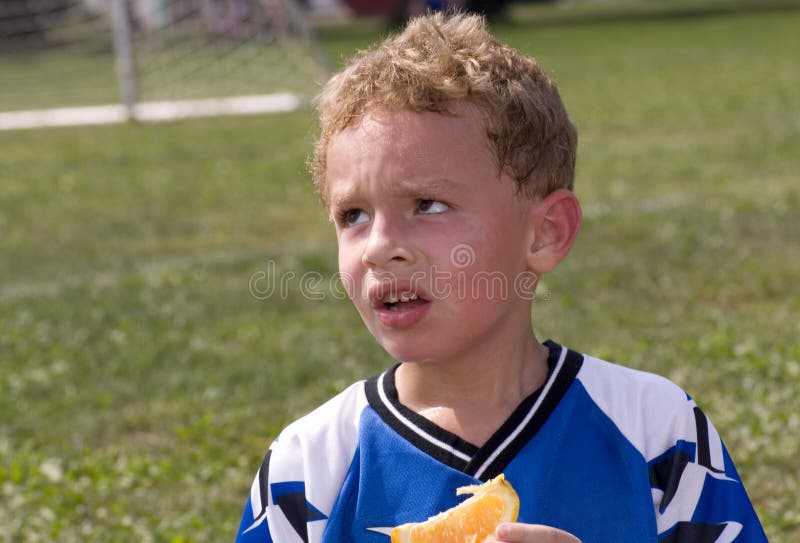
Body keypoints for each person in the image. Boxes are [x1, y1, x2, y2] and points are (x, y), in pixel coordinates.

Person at [235, 12, 767, 543]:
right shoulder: (306, 471)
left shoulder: (656, 432)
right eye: (353, 216)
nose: (380, 248)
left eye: (428, 204)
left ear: (545, 233)